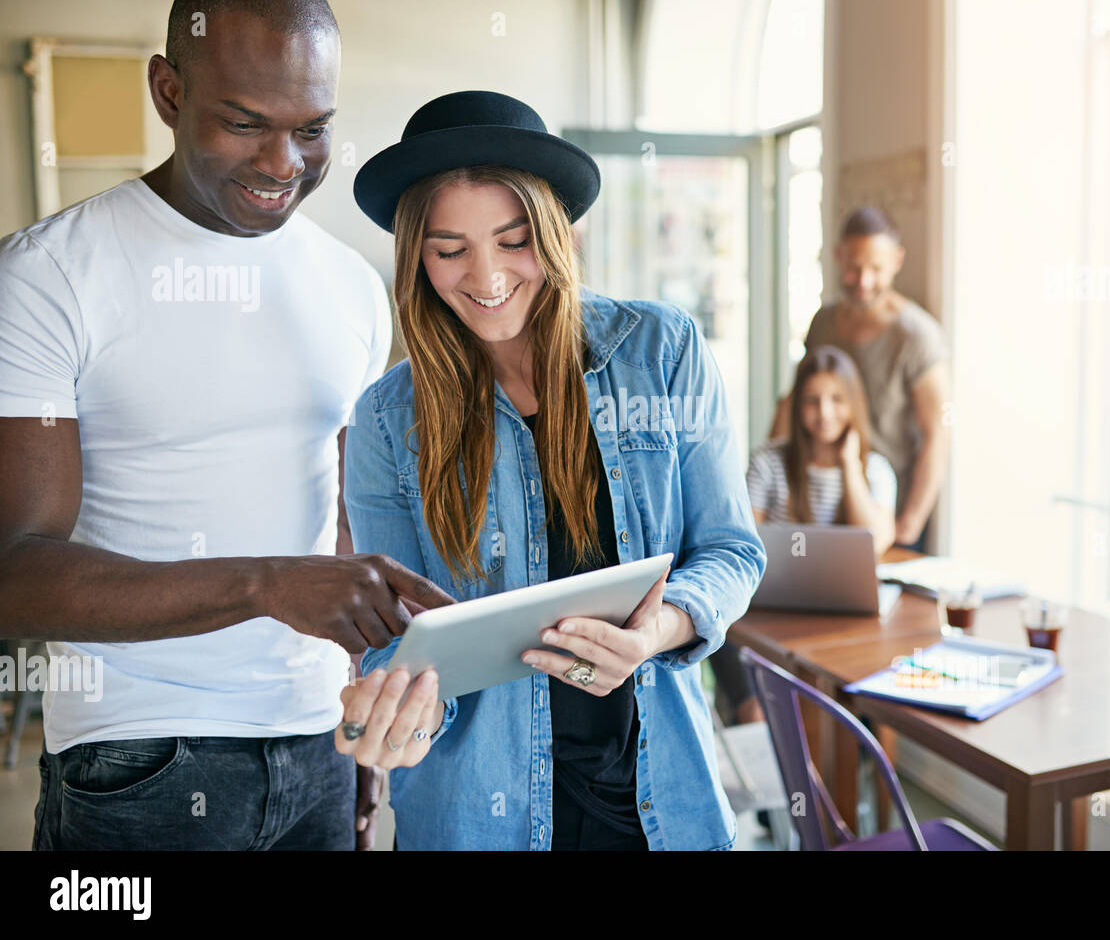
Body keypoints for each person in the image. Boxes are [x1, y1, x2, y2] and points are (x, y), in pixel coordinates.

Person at [0, 0, 449, 852]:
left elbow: (345, 531)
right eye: (246, 123)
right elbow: (14, 574)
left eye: (311, 129)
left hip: (317, 743)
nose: (284, 162)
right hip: (135, 759)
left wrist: (362, 725)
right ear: (169, 91)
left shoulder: (352, 287)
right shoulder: (48, 276)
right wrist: (262, 583)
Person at [334, 90, 766, 850]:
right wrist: (405, 705)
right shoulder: (384, 420)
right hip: (472, 815)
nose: (488, 276)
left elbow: (732, 550)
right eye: (449, 248)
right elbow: (397, 631)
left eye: (513, 239)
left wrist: (655, 631)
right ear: (416, 256)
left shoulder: (661, 353)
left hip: (657, 806)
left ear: (555, 231)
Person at [712, 344, 897, 725]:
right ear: (796, 406)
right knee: (720, 630)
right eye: (813, 401)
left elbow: (875, 541)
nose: (825, 413)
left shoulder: (874, 470)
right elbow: (744, 539)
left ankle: (840, 761)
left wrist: (849, 466)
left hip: (842, 623)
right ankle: (757, 726)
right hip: (768, 614)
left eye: (836, 400)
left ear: (854, 404)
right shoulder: (768, 462)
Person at [772, 207, 949, 552]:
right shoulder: (822, 323)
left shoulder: (918, 336)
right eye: (854, 268)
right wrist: (773, 464)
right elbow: (795, 399)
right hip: (819, 508)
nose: (863, 281)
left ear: (897, 261)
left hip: (883, 511)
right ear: (838, 257)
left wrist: (907, 526)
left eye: (876, 269)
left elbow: (937, 434)